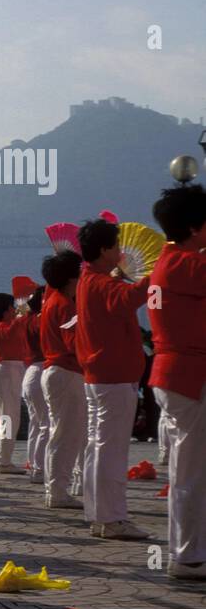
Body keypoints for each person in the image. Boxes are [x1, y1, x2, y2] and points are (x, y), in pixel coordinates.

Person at [75, 217, 151, 540]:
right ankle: (112, 518)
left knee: (98, 446)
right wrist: (152, 279)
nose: (120, 251)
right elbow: (128, 299)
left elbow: (118, 295)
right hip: (115, 377)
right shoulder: (104, 284)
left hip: (98, 375)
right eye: (116, 246)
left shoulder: (88, 280)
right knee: (112, 450)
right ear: (105, 250)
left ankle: (99, 514)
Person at [148, 183, 206, 578]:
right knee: (191, 472)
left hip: (174, 373)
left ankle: (189, 550)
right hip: (188, 376)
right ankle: (187, 554)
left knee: (188, 469)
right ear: (196, 227)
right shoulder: (186, 266)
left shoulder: (167, 264)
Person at [39, 251, 85, 509]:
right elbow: (74, 342)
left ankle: (55, 488)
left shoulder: (51, 300)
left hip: (56, 372)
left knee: (60, 433)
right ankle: (57, 490)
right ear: (71, 278)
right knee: (66, 435)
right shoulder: (65, 306)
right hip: (66, 372)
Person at [0, 291, 31, 474]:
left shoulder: (0, 326)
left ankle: (3, 459)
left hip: (5, 372)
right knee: (8, 419)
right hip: (6, 372)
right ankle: (4, 461)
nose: (14, 310)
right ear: (5, 311)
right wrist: (24, 312)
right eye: (12, 308)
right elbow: (15, 328)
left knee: (8, 418)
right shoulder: (1, 327)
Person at [21, 287, 50, 484]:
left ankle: (32, 463)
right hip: (36, 371)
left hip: (28, 373)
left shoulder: (27, 319)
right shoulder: (38, 319)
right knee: (45, 425)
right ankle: (37, 468)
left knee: (36, 424)